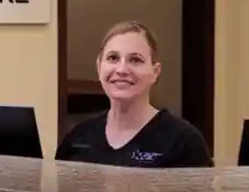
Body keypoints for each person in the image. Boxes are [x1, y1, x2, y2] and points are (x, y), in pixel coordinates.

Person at [56, 21, 213, 168]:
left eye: (135, 60)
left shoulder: (183, 142)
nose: (122, 69)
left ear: (155, 72)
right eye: (113, 58)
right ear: (99, 67)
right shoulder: (77, 138)